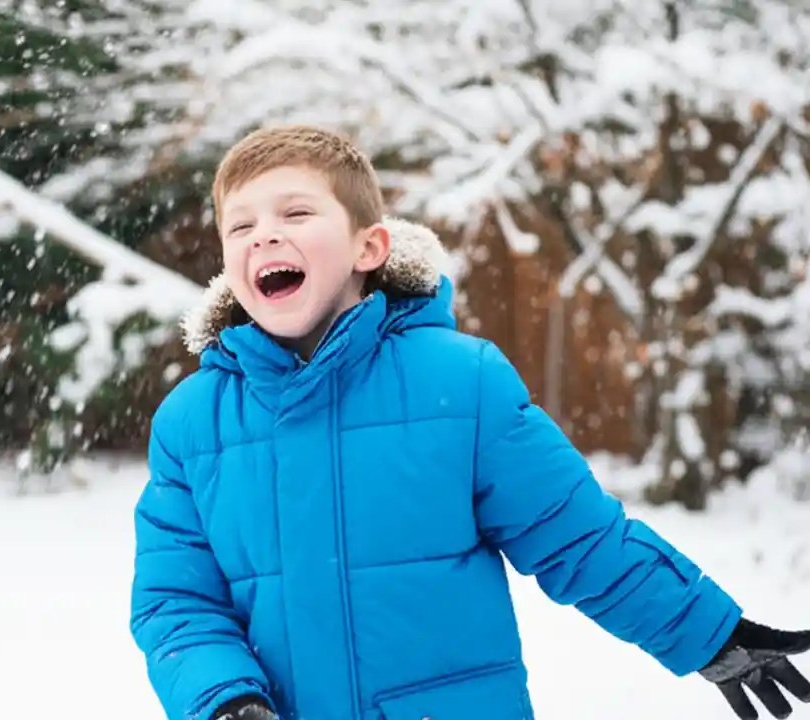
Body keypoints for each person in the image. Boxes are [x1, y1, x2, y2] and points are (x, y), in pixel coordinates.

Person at [128, 125, 810, 720]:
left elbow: (579, 539)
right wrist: (223, 700)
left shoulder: (459, 383)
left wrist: (707, 632)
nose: (265, 234)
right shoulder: (193, 423)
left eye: (296, 212)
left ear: (370, 248)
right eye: (240, 226)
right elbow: (175, 602)